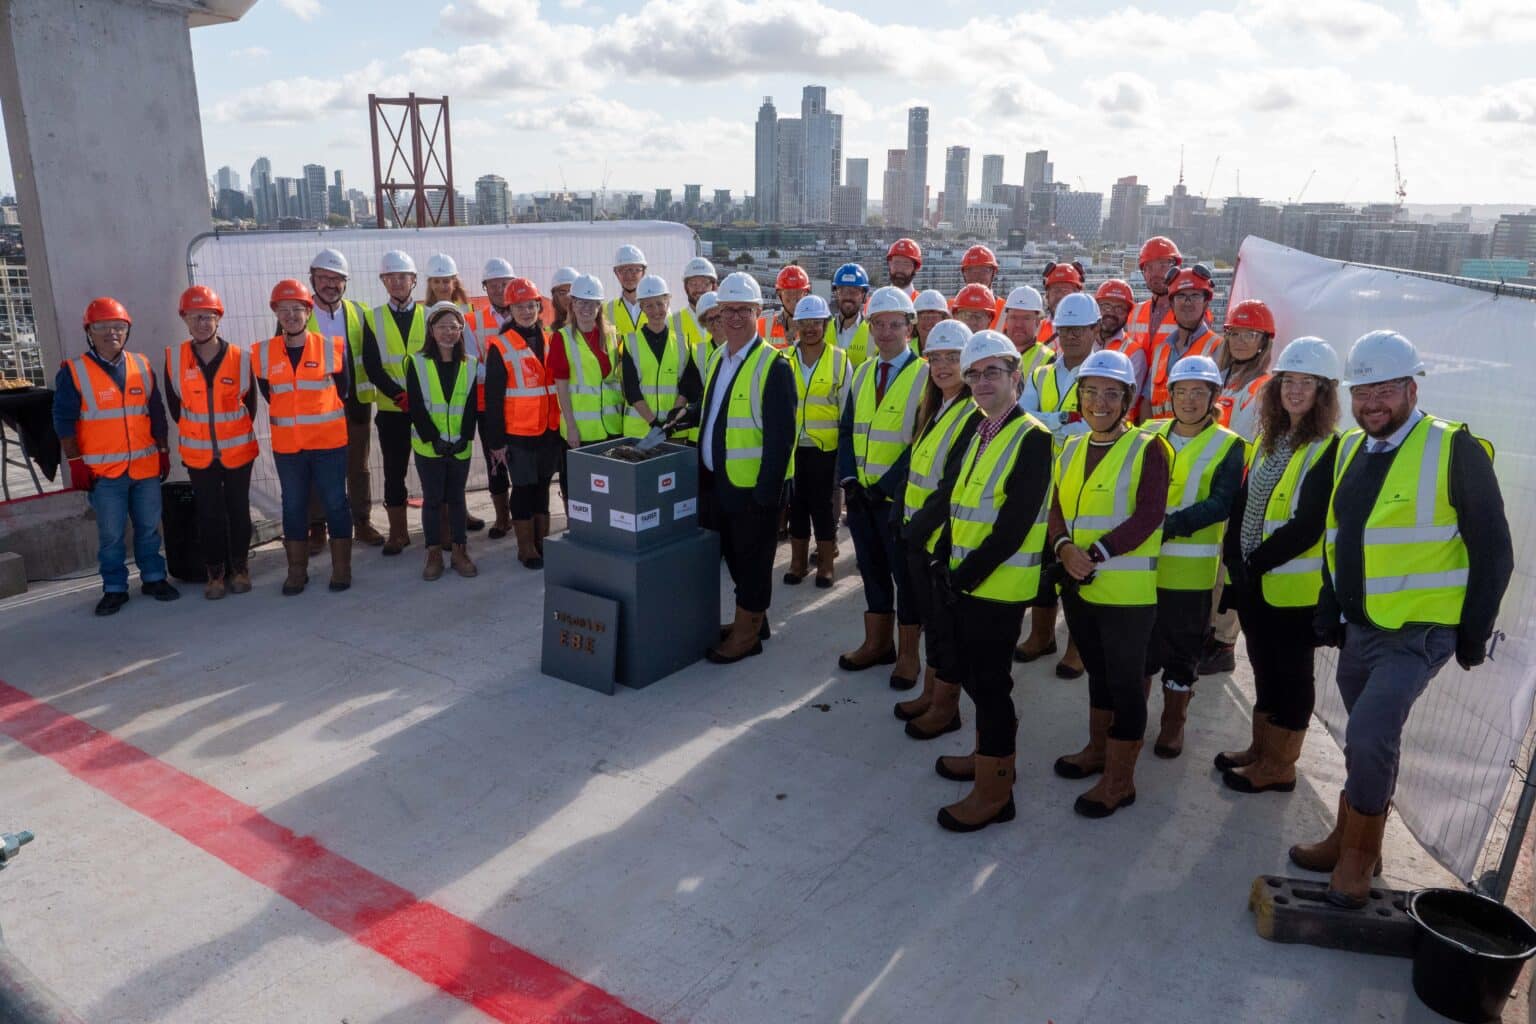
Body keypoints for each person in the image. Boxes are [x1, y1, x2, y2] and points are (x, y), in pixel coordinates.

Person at [1299, 331, 1512, 908]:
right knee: (1365, 739)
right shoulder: (1350, 448)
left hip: (1418, 633)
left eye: (1386, 390)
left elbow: (1494, 550)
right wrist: (1330, 609)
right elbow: (1338, 539)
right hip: (1361, 628)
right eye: (1362, 391)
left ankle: (1358, 857)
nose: (1372, 403)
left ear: (1412, 389)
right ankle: (1351, 836)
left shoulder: (1453, 447)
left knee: (1370, 733)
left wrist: (1472, 635)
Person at [929, 330, 1053, 832]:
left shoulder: (1033, 437)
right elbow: (959, 502)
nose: (982, 382)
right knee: (977, 679)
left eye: (993, 372)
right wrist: (943, 555)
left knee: (991, 685)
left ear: (1015, 376)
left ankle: (995, 793)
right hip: (967, 582)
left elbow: (1014, 525)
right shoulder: (980, 430)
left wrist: (964, 575)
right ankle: (989, 756)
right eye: (975, 374)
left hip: (998, 588)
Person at [1215, 338, 1342, 796]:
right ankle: (1262, 750)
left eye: (1307, 382)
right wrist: (1236, 559)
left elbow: (1309, 525)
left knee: (1292, 676)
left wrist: (1256, 561)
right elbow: (1246, 502)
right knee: (1264, 669)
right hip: (1256, 581)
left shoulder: (1327, 448)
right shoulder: (1270, 439)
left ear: (1323, 392)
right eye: (1288, 380)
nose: (1295, 390)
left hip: (1290, 590)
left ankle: (1280, 766)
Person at [1049, 349, 1171, 818]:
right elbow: (1056, 506)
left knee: (1125, 682)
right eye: (1091, 392)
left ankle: (1120, 781)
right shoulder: (1072, 447)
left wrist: (1094, 554)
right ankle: (1097, 751)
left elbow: (1150, 514)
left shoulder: (1148, 448)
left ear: (1127, 399)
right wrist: (1064, 547)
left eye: (1111, 393)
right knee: (1098, 674)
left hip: (1125, 594)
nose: (1099, 402)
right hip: (1079, 586)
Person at [1143, 356, 1244, 759]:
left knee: (1183, 652)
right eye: (1181, 391)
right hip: (1142, 569)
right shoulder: (1148, 433)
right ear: (1170, 395)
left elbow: (1221, 503)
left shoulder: (1228, 444)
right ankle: (1134, 716)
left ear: (1214, 396)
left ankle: (1173, 723)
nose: (1188, 400)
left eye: (1198, 392)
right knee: (1140, 647)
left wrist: (1165, 525)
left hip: (1191, 574)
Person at [54, 297, 179, 616]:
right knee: (111, 535)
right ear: (89, 332)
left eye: (119, 326)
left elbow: (157, 413)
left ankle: (154, 578)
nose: (112, 332)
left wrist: (164, 451)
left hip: (145, 468)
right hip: (104, 474)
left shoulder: (141, 365)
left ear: (127, 331)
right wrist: (75, 462)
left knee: (149, 528)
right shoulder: (74, 372)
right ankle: (114, 588)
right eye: (102, 326)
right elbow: (63, 421)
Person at [698, 272, 797, 663]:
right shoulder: (717, 358)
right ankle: (755, 621)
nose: (734, 317)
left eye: (743, 309)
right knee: (737, 560)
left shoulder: (774, 365)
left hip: (754, 489)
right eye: (727, 310)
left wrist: (765, 496)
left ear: (758, 311)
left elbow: (781, 439)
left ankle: (747, 637)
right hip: (720, 483)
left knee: (754, 563)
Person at [838, 286, 929, 687]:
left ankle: (908, 655)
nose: (886, 332)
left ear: (910, 328)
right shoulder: (862, 373)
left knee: (905, 579)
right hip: (861, 498)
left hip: (898, 500)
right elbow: (847, 431)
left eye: (895, 324)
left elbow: (923, 443)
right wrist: (849, 481)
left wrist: (887, 486)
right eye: (879, 324)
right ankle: (877, 644)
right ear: (870, 327)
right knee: (872, 571)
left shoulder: (925, 375)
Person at [894, 320, 978, 739]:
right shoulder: (936, 406)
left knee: (946, 630)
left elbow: (952, 487)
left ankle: (946, 709)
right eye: (936, 358)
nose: (943, 366)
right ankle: (931, 693)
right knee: (932, 622)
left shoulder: (972, 414)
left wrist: (917, 530)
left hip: (941, 541)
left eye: (952, 358)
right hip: (919, 536)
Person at [1015, 292, 1102, 676]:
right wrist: (1065, 419)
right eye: (1065, 329)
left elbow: (1095, 424)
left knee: (1079, 567)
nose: (1071, 336)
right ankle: (1041, 635)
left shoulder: (1104, 375)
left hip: (1086, 482)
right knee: (1043, 565)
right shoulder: (1041, 373)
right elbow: (1024, 418)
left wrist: (1049, 420)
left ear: (1095, 330)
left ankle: (1077, 648)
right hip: (1044, 482)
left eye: (1079, 329)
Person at [251, 280, 352, 596]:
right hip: (289, 448)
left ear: (309, 312)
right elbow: (269, 393)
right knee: (293, 506)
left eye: (297, 308)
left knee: (335, 503)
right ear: (276, 313)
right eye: (284, 309)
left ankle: (341, 569)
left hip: (329, 444)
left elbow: (344, 390)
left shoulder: (330, 347)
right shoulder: (263, 353)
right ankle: (297, 571)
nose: (291, 315)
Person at [163, 285, 258, 599]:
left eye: (208, 316)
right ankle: (215, 574)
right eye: (195, 317)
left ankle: (240, 568)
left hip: (238, 451)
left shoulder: (240, 358)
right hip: (199, 454)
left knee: (238, 510)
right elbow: (176, 408)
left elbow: (250, 406)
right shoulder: (174, 359)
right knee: (209, 514)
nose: (202, 323)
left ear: (218, 319)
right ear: (185, 319)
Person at [1200, 298, 1276, 674]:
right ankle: (1208, 632)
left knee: (1227, 570)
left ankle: (1224, 643)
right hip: (1211, 487)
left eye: (1251, 334)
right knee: (1209, 567)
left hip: (1241, 492)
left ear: (1264, 341)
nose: (1241, 341)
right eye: (1235, 333)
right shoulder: (1220, 379)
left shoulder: (1264, 387)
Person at [307, 248, 386, 548]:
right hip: (315, 409)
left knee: (358, 468)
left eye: (336, 278)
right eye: (323, 277)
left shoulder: (359, 313)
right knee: (318, 470)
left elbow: (372, 359)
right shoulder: (300, 312)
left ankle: (362, 522)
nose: (330, 284)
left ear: (345, 282)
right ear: (312, 279)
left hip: (355, 405)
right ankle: (317, 527)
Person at [480, 277, 560, 566]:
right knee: (524, 489)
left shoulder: (550, 339)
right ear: (509, 310)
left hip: (549, 430)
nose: (526, 312)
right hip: (519, 434)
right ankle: (526, 548)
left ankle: (541, 542)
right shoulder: (500, 346)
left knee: (542, 487)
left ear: (539, 307)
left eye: (531, 306)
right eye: (519, 307)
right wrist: (496, 442)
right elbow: (493, 399)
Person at [407, 303, 480, 581]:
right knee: (433, 500)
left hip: (459, 445)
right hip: (429, 447)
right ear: (431, 330)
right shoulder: (417, 362)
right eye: (442, 327)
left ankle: (460, 552)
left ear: (461, 331)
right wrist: (433, 439)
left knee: (457, 498)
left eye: (454, 327)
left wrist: (465, 437)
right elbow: (416, 406)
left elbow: (471, 405)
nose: (448, 332)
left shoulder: (470, 364)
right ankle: (434, 553)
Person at [782, 294, 850, 589]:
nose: (810, 328)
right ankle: (797, 563)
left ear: (825, 324)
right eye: (804, 322)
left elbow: (846, 407)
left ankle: (825, 565)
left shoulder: (839, 359)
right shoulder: (784, 359)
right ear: (796, 325)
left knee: (822, 506)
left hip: (825, 447)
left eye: (816, 322)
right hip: (793, 447)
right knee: (796, 504)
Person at [362, 250, 425, 556]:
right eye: (391, 277)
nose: (397, 282)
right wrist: (399, 396)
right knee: (394, 472)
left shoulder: (429, 315)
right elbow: (373, 366)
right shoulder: (372, 318)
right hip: (392, 411)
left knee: (433, 469)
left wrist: (417, 398)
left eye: (403, 277)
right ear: (383, 281)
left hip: (427, 408)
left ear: (414, 280)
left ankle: (440, 529)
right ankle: (398, 533)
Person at [620, 274, 701, 438]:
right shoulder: (630, 342)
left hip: (673, 431)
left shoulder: (683, 342)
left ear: (668, 303)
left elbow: (686, 387)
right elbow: (631, 390)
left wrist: (671, 421)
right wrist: (653, 423)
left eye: (659, 304)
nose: (656, 311)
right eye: (649, 305)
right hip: (639, 432)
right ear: (641, 307)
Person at [1144, 264, 1223, 421]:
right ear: (1172, 304)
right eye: (1181, 296)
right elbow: (1147, 400)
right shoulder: (1161, 350)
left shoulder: (1218, 348)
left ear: (1206, 303)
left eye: (1195, 296)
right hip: (1158, 433)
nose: (1187, 302)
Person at [1126, 236, 1182, 392]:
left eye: (1163, 266)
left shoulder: (1189, 314)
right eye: (1149, 267)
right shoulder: (1135, 312)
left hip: (1170, 398)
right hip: (1135, 396)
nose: (1156, 274)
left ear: (1176, 269)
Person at [1095, 279, 1147, 398]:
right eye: (1106, 306)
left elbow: (1129, 399)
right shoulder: (1083, 342)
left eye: (1119, 308)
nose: (1111, 313)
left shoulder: (1135, 353)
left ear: (1128, 314)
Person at [1001, 286, 1052, 382]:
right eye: (1014, 317)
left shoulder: (1050, 359)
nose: (1019, 324)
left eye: (1026, 318)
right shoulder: (992, 353)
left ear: (1038, 322)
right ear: (1006, 320)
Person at [674, 256, 718, 357]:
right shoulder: (671, 322)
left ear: (713, 286)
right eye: (693, 284)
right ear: (686, 288)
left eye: (705, 284)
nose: (699, 289)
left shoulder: (726, 318)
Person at [829, 262, 871, 365]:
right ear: (836, 294)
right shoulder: (823, 329)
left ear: (864, 295)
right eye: (842, 291)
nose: (848, 297)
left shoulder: (874, 332)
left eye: (854, 292)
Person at [1037, 260, 1085, 349]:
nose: (1060, 296)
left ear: (1078, 295)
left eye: (1065, 291)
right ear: (1047, 295)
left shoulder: (1091, 332)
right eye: (1056, 291)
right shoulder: (1036, 330)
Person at [762, 265, 810, 349]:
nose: (793, 296)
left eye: (798, 292)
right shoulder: (762, 326)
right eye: (788, 292)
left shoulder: (817, 328)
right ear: (779, 294)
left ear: (805, 293)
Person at [959, 245, 1007, 329]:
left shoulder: (1007, 311)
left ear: (993, 273)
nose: (977, 276)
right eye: (970, 270)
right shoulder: (949, 309)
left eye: (984, 270)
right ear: (964, 274)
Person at [608, 244, 648, 335]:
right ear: (616, 273)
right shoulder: (607, 310)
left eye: (635, 270)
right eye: (623, 270)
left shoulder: (657, 307)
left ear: (643, 272)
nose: (629, 275)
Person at [913, 290, 950, 355]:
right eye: (923, 317)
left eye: (934, 317)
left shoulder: (954, 350)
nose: (928, 322)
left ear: (944, 319)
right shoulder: (904, 350)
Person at [549, 266, 579, 334]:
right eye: (562, 293)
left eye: (571, 291)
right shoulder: (548, 333)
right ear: (555, 297)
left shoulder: (594, 328)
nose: (568, 297)